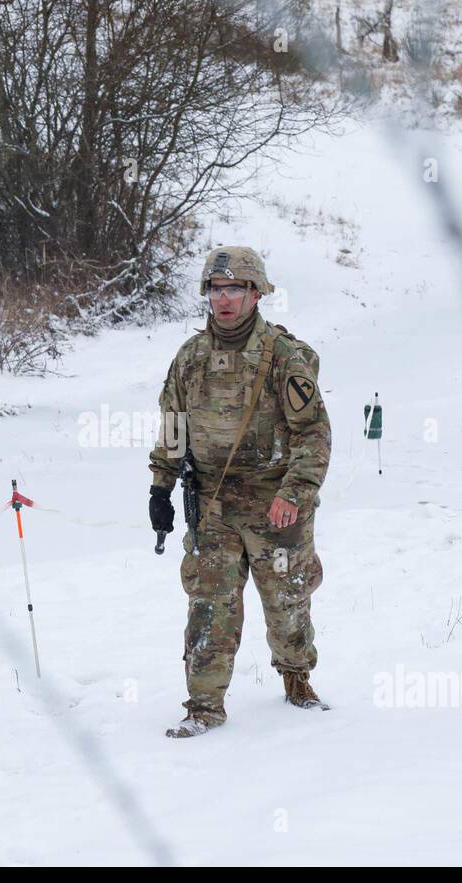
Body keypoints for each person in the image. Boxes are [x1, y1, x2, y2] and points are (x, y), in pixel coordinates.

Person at [148, 246, 332, 738]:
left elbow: (313, 434)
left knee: (287, 601)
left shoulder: (283, 357)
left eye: (234, 289)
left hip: (276, 504)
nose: (224, 299)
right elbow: (173, 430)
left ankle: (296, 676)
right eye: (215, 289)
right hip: (212, 504)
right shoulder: (190, 359)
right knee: (210, 603)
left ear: (256, 294)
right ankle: (204, 705)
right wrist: (160, 488)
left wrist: (294, 494)